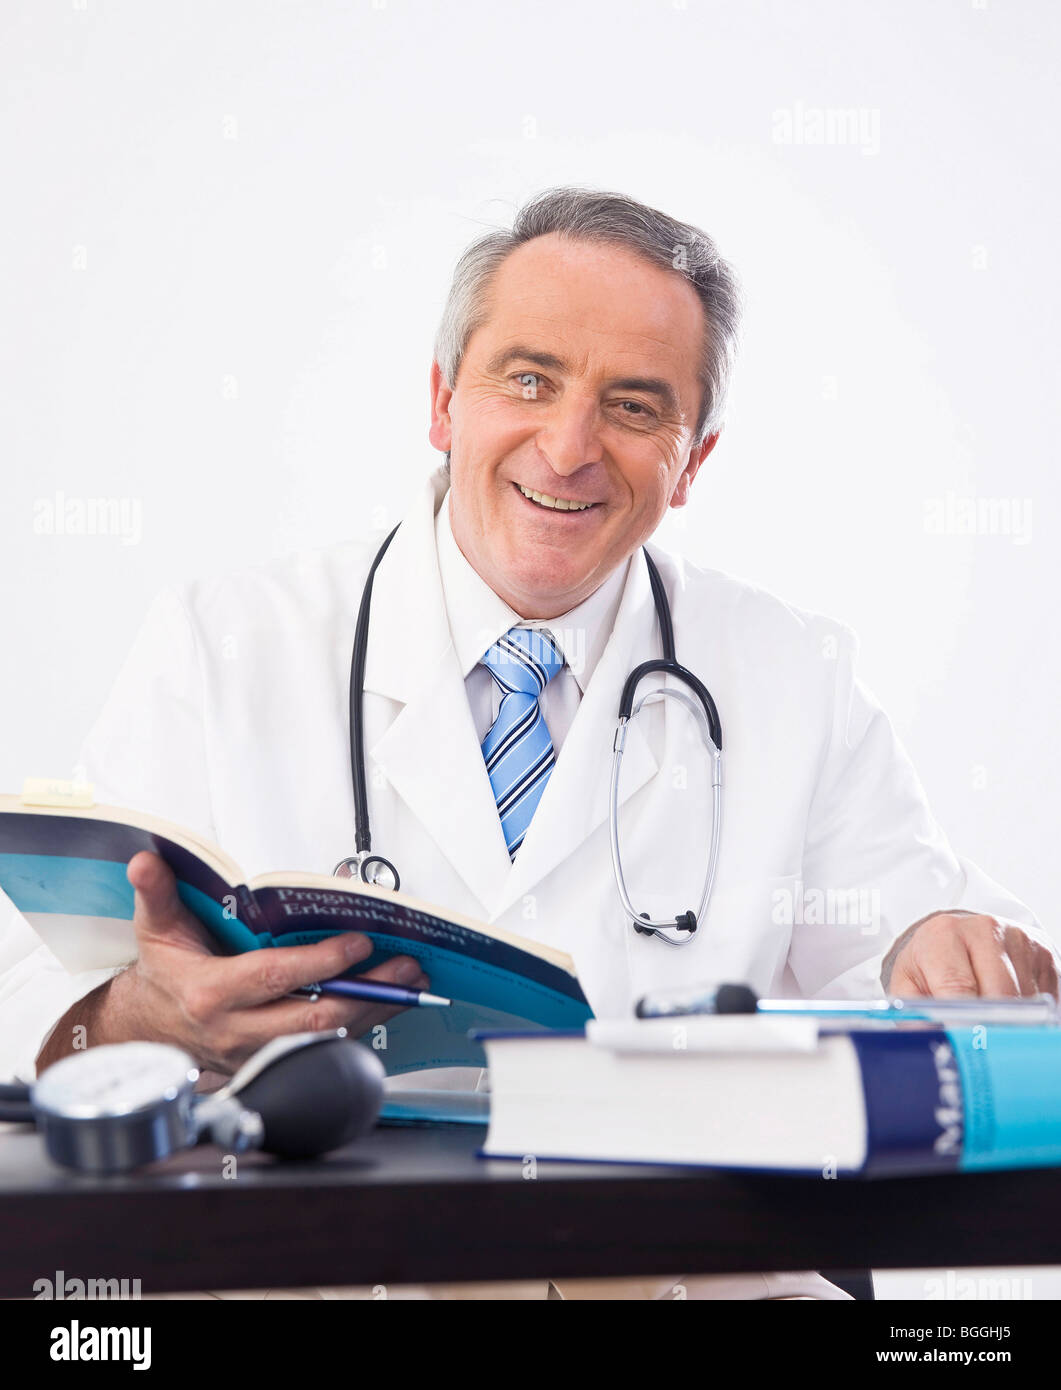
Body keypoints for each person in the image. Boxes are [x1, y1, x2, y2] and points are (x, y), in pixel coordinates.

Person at [2, 187, 1056, 1300]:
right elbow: (32, 999)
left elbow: (925, 969)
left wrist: (940, 953)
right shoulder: (222, 646)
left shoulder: (795, 678)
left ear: (690, 461)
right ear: (442, 401)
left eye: (634, 406)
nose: (567, 448)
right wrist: (130, 1019)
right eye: (528, 379)